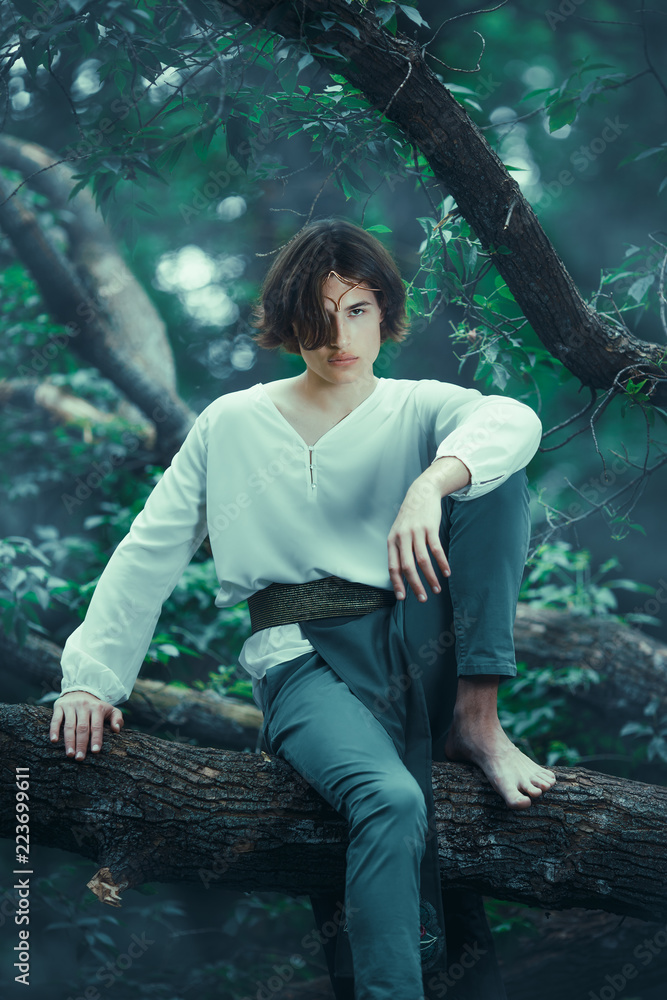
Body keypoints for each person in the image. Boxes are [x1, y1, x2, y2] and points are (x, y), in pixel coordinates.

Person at [50, 218, 556, 1000]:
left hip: (421, 649)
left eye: (356, 309)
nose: (337, 334)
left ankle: (477, 721)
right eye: (317, 314)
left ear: (384, 311)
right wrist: (90, 679)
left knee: (494, 476)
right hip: (304, 662)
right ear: (288, 322)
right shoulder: (232, 423)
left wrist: (431, 482)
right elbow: (147, 552)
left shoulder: (421, 407)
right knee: (388, 797)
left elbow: (515, 421)